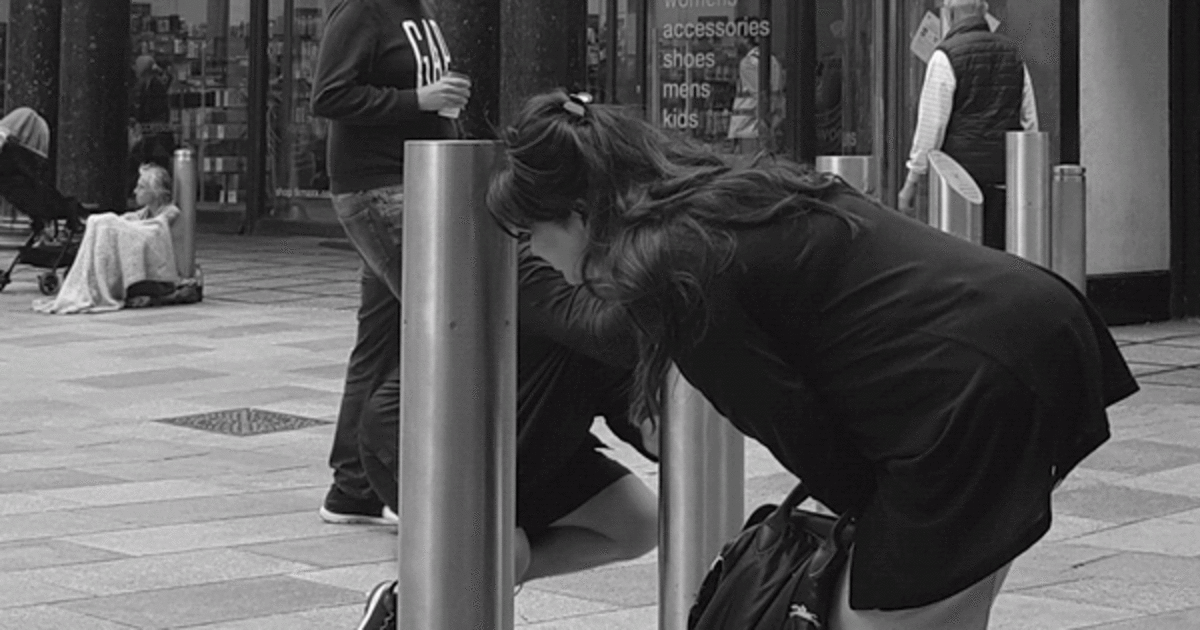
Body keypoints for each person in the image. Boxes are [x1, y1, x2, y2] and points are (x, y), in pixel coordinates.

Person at [487, 91, 1138, 630]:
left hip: (970, 389)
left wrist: (874, 520)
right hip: (1037, 329)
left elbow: (793, 423)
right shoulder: (725, 191)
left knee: (870, 612)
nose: (535, 254)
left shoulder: (670, 265)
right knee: (945, 599)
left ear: (577, 214)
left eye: (530, 233)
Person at [351, 245, 659, 630]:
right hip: (429, 438)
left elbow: (627, 403)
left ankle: (418, 597)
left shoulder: (609, 294)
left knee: (640, 522)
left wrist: (655, 426)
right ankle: (435, 599)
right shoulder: (529, 268)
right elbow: (598, 330)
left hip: (537, 443)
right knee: (500, 553)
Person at [310, 0, 471, 525]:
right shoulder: (362, 9)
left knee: (381, 339)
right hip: (380, 187)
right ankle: (406, 475)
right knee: (442, 325)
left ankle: (353, 488)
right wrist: (416, 100)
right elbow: (329, 95)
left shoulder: (417, 9)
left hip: (414, 185)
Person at [896, 0, 1038, 250]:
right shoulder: (1013, 54)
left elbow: (931, 127)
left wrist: (912, 181)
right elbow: (1030, 122)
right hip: (1003, 178)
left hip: (958, 183)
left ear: (950, 14)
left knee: (960, 256)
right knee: (998, 253)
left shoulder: (945, 56)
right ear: (984, 11)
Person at [34, 164, 181, 314]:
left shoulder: (170, 213)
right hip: (144, 276)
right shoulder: (144, 213)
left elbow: (151, 232)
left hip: (160, 278)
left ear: (155, 191)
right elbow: (129, 221)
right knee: (100, 223)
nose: (135, 191)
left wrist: (115, 224)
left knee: (107, 222)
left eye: (141, 187)